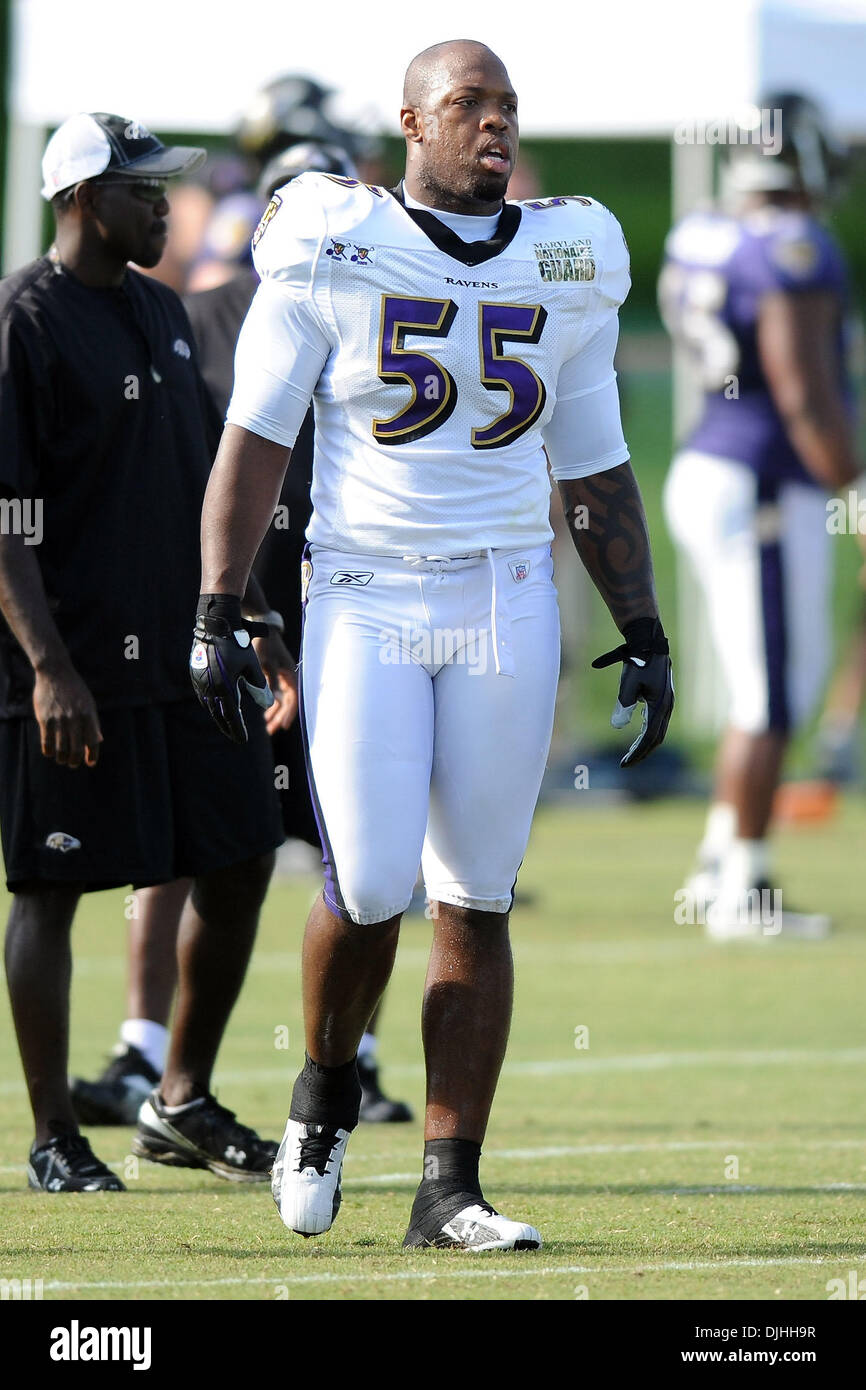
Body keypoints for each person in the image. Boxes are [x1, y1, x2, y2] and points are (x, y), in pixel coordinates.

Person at [192, 40, 673, 1251]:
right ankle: (319, 1093)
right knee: (366, 885)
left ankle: (447, 1184)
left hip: (506, 593)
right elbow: (254, 435)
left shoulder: (568, 253)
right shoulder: (332, 235)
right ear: (410, 120)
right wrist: (216, 604)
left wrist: (642, 624)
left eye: (507, 107)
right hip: (364, 592)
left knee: (479, 893)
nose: (494, 125)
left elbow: (593, 456)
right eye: (468, 105)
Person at [70, 139, 412, 1128]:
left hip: (344, 599)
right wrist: (218, 608)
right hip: (222, 605)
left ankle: (359, 1055)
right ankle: (144, 1049)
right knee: (187, 841)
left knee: (362, 841)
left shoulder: (386, 302)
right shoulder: (200, 316)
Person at [0, 112, 288, 1191]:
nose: (165, 206)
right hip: (68, 666)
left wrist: (249, 609)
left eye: (166, 188)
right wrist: (46, 666)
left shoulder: (164, 313)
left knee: (240, 852)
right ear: (80, 199)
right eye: (141, 190)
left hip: (178, 653)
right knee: (49, 888)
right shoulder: (23, 321)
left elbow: (188, 483)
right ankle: (52, 1136)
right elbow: (8, 515)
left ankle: (180, 1098)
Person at [659, 93, 861, 940]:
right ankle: (744, 885)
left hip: (712, 464)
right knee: (771, 691)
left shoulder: (702, 232)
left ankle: (720, 864)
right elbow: (803, 392)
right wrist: (854, 483)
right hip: (765, 484)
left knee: (769, 684)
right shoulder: (792, 247)